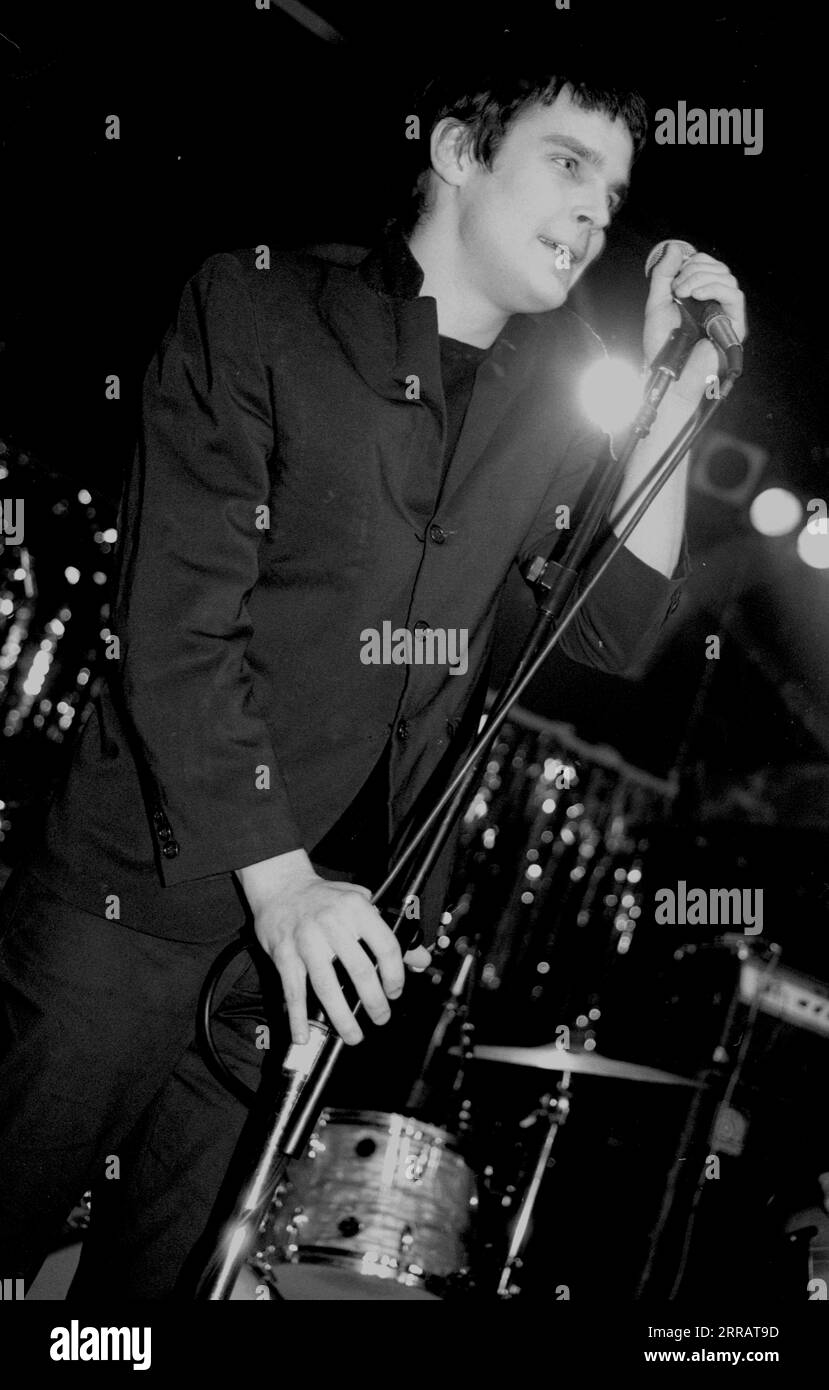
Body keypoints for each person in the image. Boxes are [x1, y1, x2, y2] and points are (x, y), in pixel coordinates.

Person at [0, 59, 746, 1299]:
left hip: (319, 956)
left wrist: (683, 395)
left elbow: (610, 633)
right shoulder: (261, 309)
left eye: (614, 194)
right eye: (568, 165)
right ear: (459, 152)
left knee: (146, 1305)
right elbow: (180, 622)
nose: (596, 212)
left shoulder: (553, 404)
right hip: (137, 898)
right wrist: (279, 879)